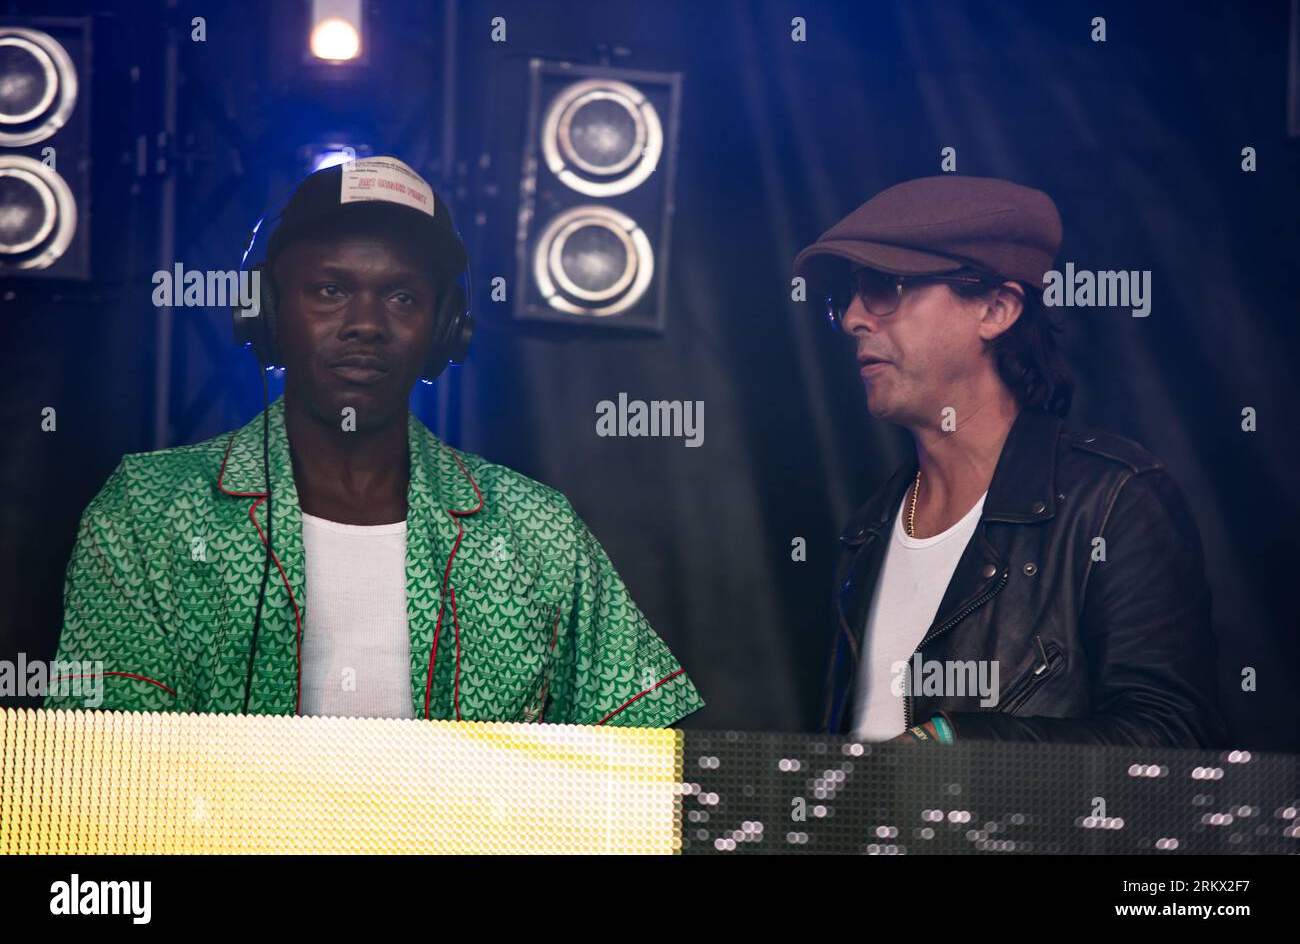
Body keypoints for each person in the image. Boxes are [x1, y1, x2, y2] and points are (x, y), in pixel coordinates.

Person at [46, 155, 704, 727]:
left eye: (402, 297)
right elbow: (105, 767)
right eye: (329, 290)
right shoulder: (147, 510)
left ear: (447, 330)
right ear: (266, 312)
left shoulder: (536, 529)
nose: (365, 324)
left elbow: (641, 766)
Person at [793, 175, 1225, 747]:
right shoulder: (868, 530)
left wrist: (958, 748)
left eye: (884, 288)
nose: (852, 318)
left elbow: (1173, 737)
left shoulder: (1113, 499)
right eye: (846, 296)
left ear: (995, 310)